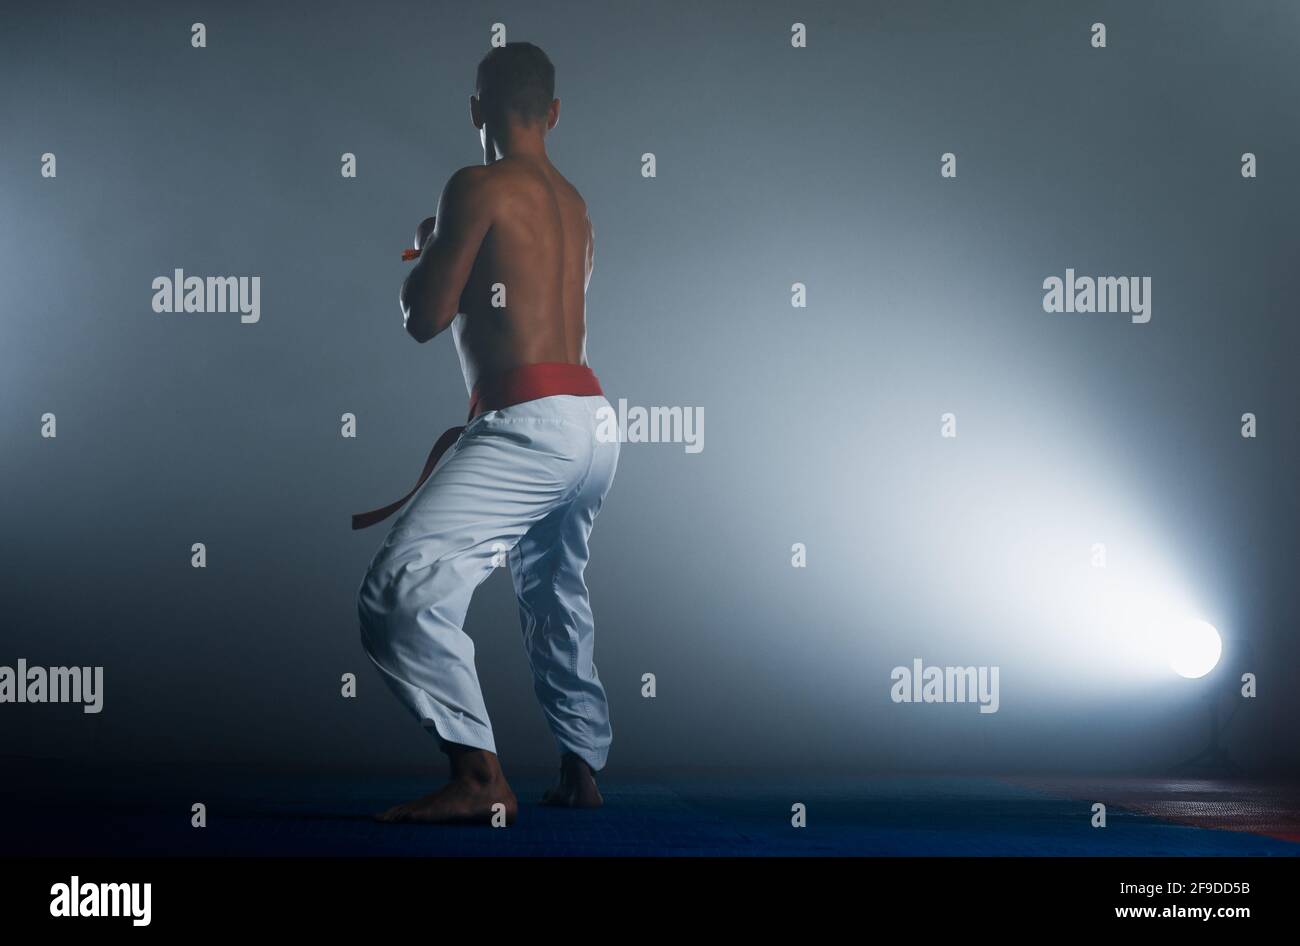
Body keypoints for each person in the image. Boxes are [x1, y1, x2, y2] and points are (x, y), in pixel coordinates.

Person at [354, 42, 618, 824]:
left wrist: (432, 244)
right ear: (555, 112)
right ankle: (582, 769)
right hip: (594, 425)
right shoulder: (576, 205)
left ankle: (476, 775)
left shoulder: (475, 184)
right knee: (555, 594)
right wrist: (454, 247)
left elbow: (423, 319)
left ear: (477, 111)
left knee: (398, 592)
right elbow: (523, 304)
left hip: (529, 423)